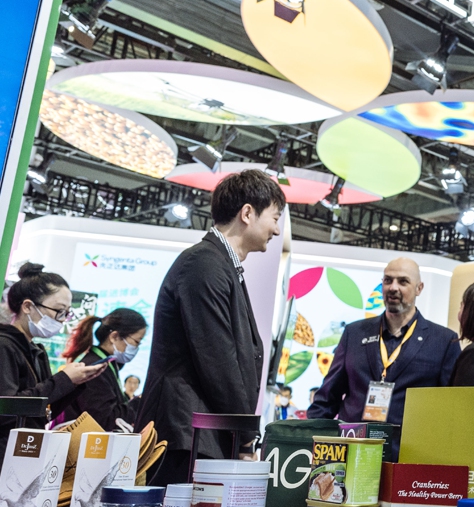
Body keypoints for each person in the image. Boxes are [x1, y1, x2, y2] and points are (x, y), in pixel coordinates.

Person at [138, 169, 284, 485]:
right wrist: (245, 434)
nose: (276, 229)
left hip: (202, 433)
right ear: (248, 213)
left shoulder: (221, 264)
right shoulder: (203, 263)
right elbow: (218, 359)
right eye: (275, 218)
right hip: (185, 435)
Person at [310, 257, 460, 425]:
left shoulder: (443, 341)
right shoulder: (354, 333)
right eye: (388, 280)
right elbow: (328, 397)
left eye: (403, 282)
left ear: (419, 288)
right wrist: (307, 434)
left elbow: (451, 408)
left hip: (407, 441)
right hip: (354, 439)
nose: (393, 287)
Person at [0, 263, 105, 465]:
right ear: (28, 307)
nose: (62, 320)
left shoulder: (37, 351)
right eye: (59, 311)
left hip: (26, 453)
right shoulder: (5, 345)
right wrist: (64, 379)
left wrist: (74, 382)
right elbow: (7, 409)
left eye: (66, 313)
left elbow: (44, 412)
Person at [57, 308, 147, 431]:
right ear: (114, 336)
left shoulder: (106, 364)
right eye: (136, 342)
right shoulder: (94, 368)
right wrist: (138, 402)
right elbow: (104, 421)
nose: (136, 348)